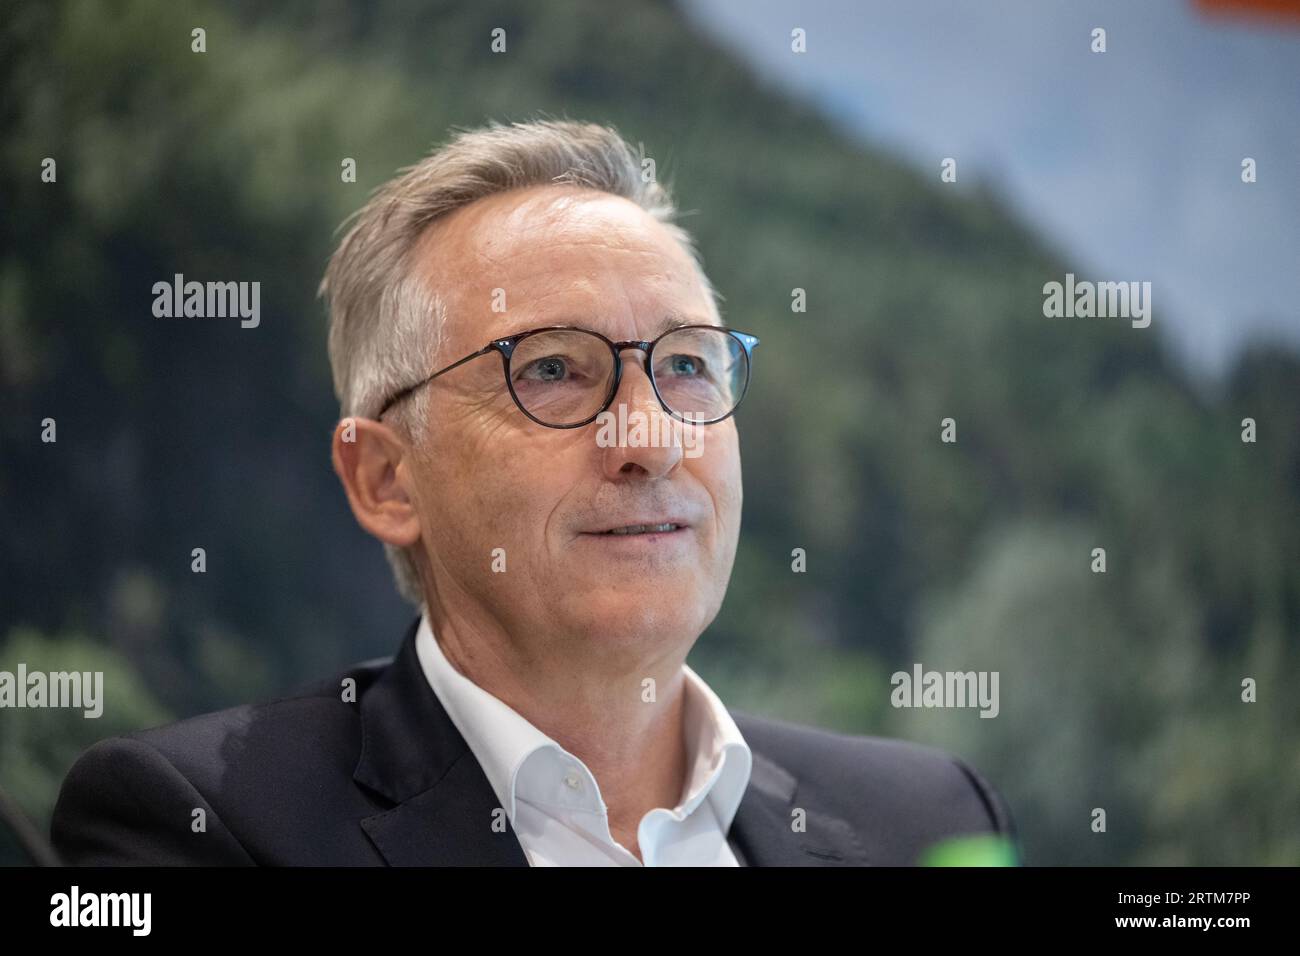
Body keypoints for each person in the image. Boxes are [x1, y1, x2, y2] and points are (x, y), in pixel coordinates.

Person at [51, 119, 1016, 866]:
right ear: (387, 480)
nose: (653, 440)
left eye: (686, 365)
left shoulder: (926, 819)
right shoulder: (197, 822)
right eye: (552, 370)